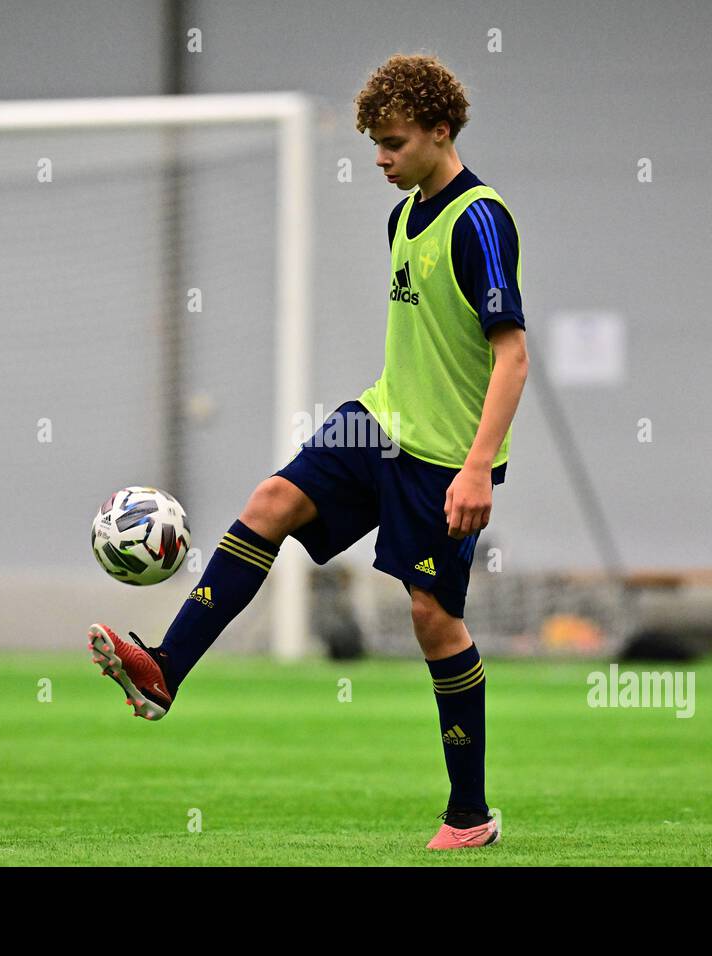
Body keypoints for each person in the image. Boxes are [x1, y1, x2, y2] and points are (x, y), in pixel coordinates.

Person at [88, 52, 529, 850]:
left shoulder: (480, 220)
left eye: (393, 143)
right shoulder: (402, 217)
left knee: (433, 620)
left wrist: (476, 467)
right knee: (269, 504)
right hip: (381, 423)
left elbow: (513, 356)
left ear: (440, 131)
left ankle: (469, 815)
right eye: (374, 143)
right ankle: (163, 671)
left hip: (443, 459)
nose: (380, 158)